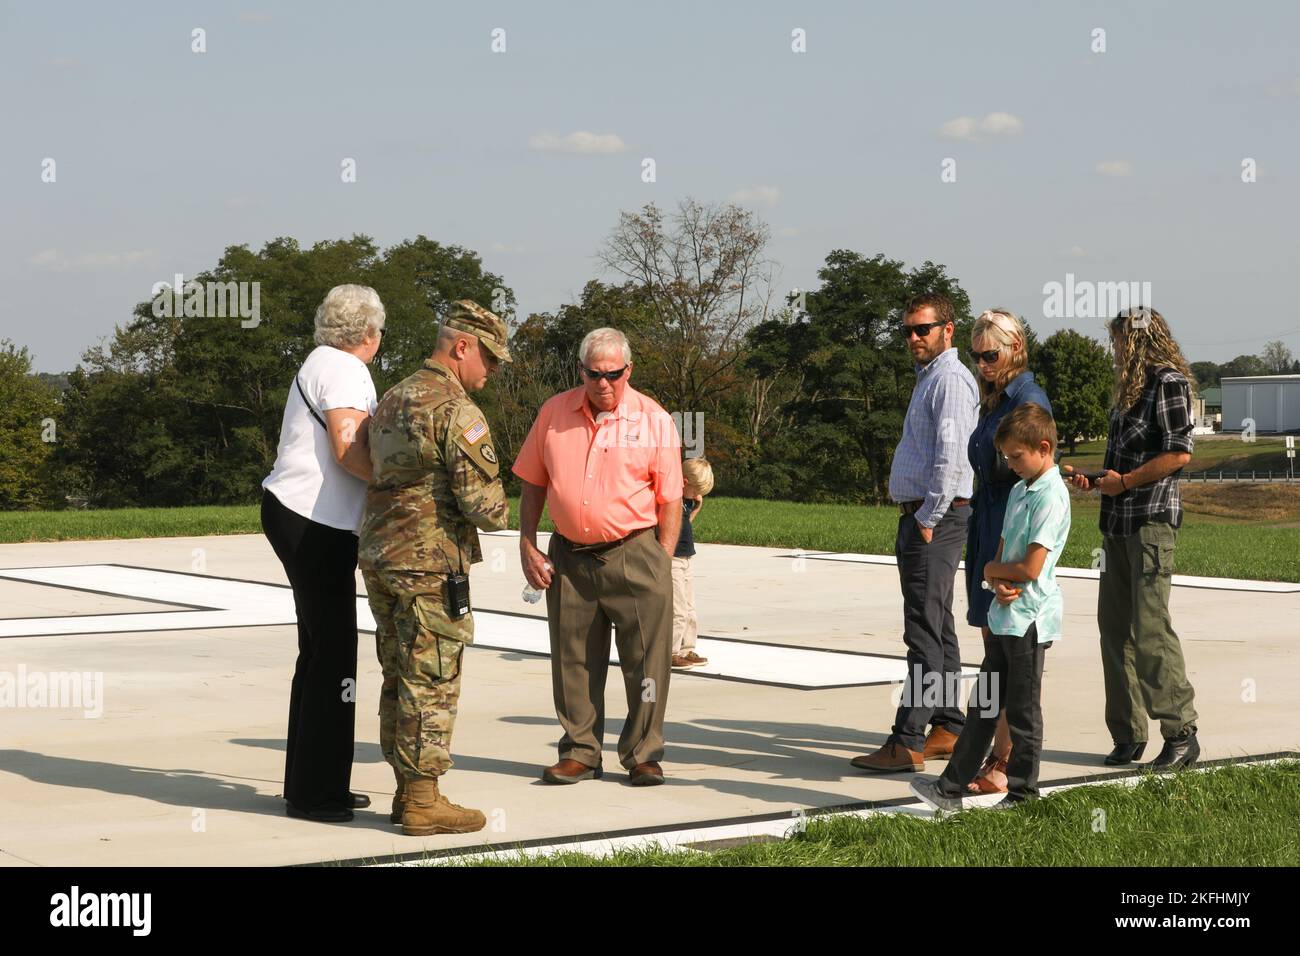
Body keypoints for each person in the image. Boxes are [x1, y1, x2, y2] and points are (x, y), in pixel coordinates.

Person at [357, 299, 511, 835]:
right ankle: (424, 799)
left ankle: (405, 792)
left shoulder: (393, 397)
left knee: (398, 673)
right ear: (461, 346)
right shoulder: (456, 409)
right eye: (489, 359)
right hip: (430, 566)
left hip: (381, 560)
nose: (491, 371)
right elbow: (486, 509)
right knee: (433, 678)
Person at [514, 327, 683, 786]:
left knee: (645, 661)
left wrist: (662, 562)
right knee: (573, 660)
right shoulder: (554, 412)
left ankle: (644, 753)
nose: (604, 384)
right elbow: (533, 481)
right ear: (581, 371)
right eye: (594, 374)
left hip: (634, 552)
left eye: (613, 374)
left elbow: (671, 498)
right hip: (569, 557)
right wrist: (527, 542)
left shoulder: (654, 419)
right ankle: (580, 751)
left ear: (629, 370)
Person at [261, 283, 383, 822]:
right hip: (315, 523)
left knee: (318, 654)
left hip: (298, 514)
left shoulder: (320, 360)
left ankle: (314, 782)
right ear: (367, 333)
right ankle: (317, 794)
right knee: (333, 657)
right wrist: (395, 485)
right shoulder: (345, 368)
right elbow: (346, 446)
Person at [911, 402, 1071, 812]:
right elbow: (1002, 554)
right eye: (1006, 457)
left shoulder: (1051, 495)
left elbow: (1032, 566)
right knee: (983, 704)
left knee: (1022, 711)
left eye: (1016, 457)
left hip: (1030, 620)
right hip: (1005, 615)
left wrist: (994, 570)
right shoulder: (1020, 490)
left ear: (1044, 447)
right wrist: (997, 578)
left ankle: (1023, 794)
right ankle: (951, 788)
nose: (1010, 464)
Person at [1063, 307, 1200, 770]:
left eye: (1120, 340)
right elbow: (1121, 463)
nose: (1115, 349)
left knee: (1150, 629)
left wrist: (1126, 482)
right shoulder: (1128, 391)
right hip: (1116, 522)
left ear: (1141, 340)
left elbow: (1179, 452)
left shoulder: (1168, 382)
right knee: (1114, 631)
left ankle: (1181, 733)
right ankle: (1128, 734)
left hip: (1150, 523)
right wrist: (1096, 480)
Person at [853, 293, 979, 773]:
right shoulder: (931, 378)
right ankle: (948, 725)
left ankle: (907, 739)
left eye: (922, 329)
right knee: (938, 623)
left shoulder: (948, 380)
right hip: (932, 517)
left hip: (935, 519)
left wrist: (927, 519)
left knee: (922, 631)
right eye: (907, 329)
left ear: (948, 330)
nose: (912, 338)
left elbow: (952, 459)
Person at [962, 309, 1053, 795]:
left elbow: (1035, 478)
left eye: (990, 354)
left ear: (1015, 347)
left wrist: (1013, 554)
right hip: (988, 524)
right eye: (976, 356)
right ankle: (999, 753)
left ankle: (1008, 760)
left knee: (1012, 652)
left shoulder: (1027, 400)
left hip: (1009, 527)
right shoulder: (995, 397)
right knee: (991, 643)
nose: (982, 364)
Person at [671, 457, 714, 670]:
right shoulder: (672, 498)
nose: (698, 495)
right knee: (677, 609)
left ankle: (687, 648)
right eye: (696, 490)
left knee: (690, 608)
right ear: (685, 481)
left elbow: (685, 523)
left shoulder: (687, 501)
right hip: (673, 560)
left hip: (687, 558)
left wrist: (696, 505)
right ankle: (671, 651)